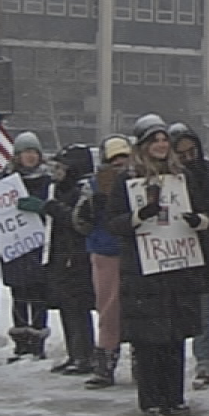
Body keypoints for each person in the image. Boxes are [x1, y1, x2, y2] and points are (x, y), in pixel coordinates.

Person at [105, 114, 209, 416]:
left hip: (178, 266)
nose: (160, 144)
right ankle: (151, 398)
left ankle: (174, 397)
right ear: (142, 145)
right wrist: (140, 216)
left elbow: (207, 212)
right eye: (153, 140)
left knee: (174, 337)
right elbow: (113, 222)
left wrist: (200, 221)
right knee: (148, 340)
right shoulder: (127, 180)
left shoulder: (184, 177)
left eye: (163, 139)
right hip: (143, 269)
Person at [170, 123, 209, 390]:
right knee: (201, 315)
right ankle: (205, 363)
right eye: (181, 153)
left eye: (191, 151)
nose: (188, 157)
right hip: (191, 253)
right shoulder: (172, 180)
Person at [77, 135, 132, 388]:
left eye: (124, 158)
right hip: (105, 250)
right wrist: (91, 207)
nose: (119, 164)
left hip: (135, 250)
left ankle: (140, 361)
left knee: (137, 309)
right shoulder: (92, 185)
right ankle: (105, 362)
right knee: (108, 309)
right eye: (114, 160)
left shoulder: (139, 180)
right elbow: (80, 223)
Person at [0, 131, 55, 361]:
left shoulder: (48, 181)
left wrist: (41, 207)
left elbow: (54, 209)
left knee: (39, 294)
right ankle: (21, 343)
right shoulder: (4, 181)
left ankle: (38, 343)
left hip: (39, 246)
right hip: (14, 246)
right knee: (19, 295)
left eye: (33, 152)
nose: (30, 157)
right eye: (25, 152)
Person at [42, 145, 99, 375]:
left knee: (78, 307)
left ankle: (84, 354)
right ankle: (74, 353)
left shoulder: (83, 191)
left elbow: (81, 222)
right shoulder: (60, 189)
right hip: (61, 254)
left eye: (61, 167)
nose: (57, 172)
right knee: (67, 306)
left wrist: (55, 209)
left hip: (78, 257)